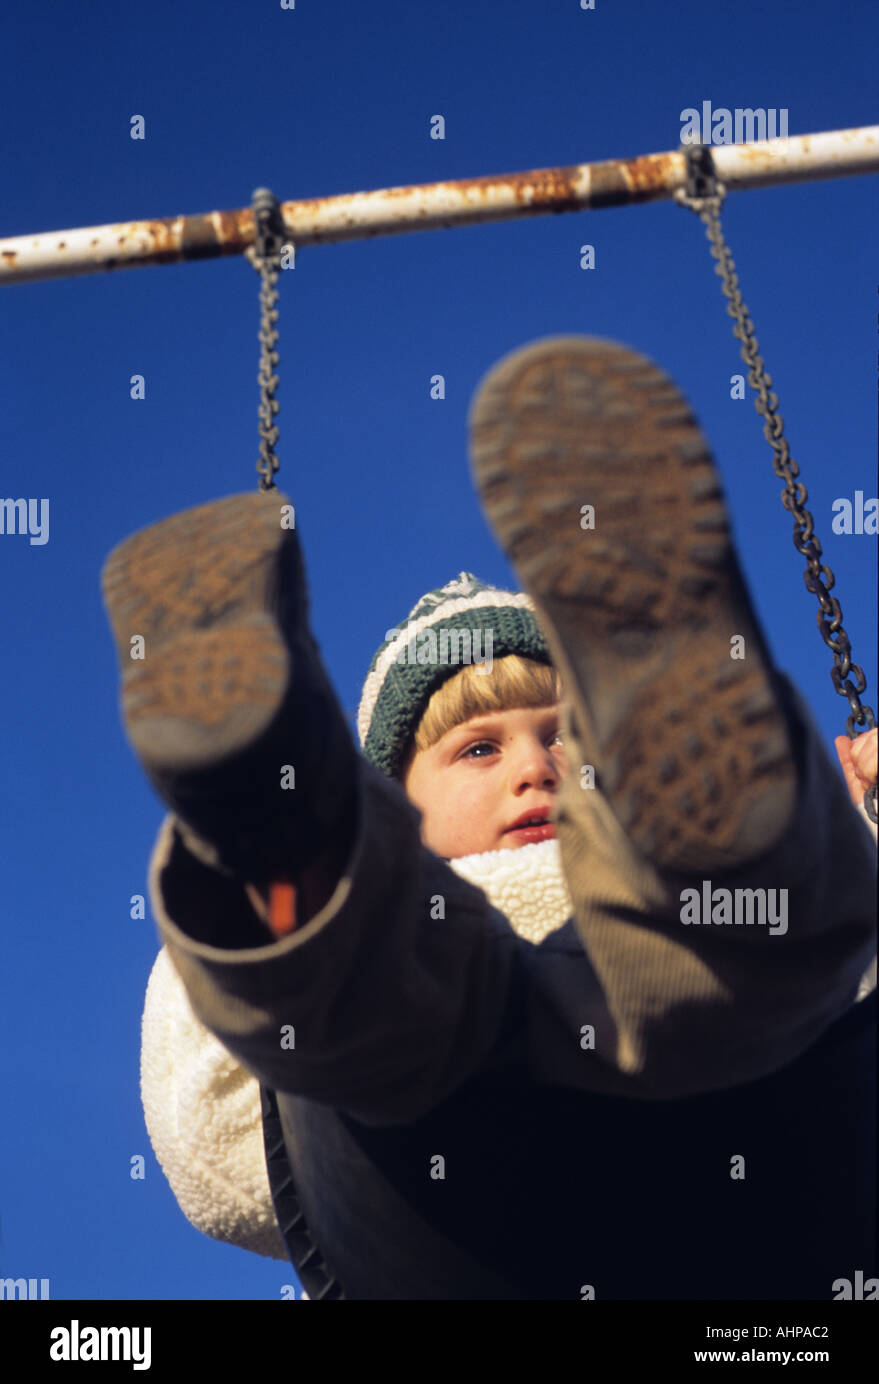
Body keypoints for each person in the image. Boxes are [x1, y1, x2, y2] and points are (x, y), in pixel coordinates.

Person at [106, 336, 876, 1299]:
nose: (538, 771)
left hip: (743, 1150)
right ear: (398, 808)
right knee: (378, 986)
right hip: (441, 1174)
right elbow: (217, 1140)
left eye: (574, 742)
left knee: (739, 932)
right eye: (478, 747)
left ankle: (725, 845)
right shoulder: (411, 920)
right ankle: (286, 836)